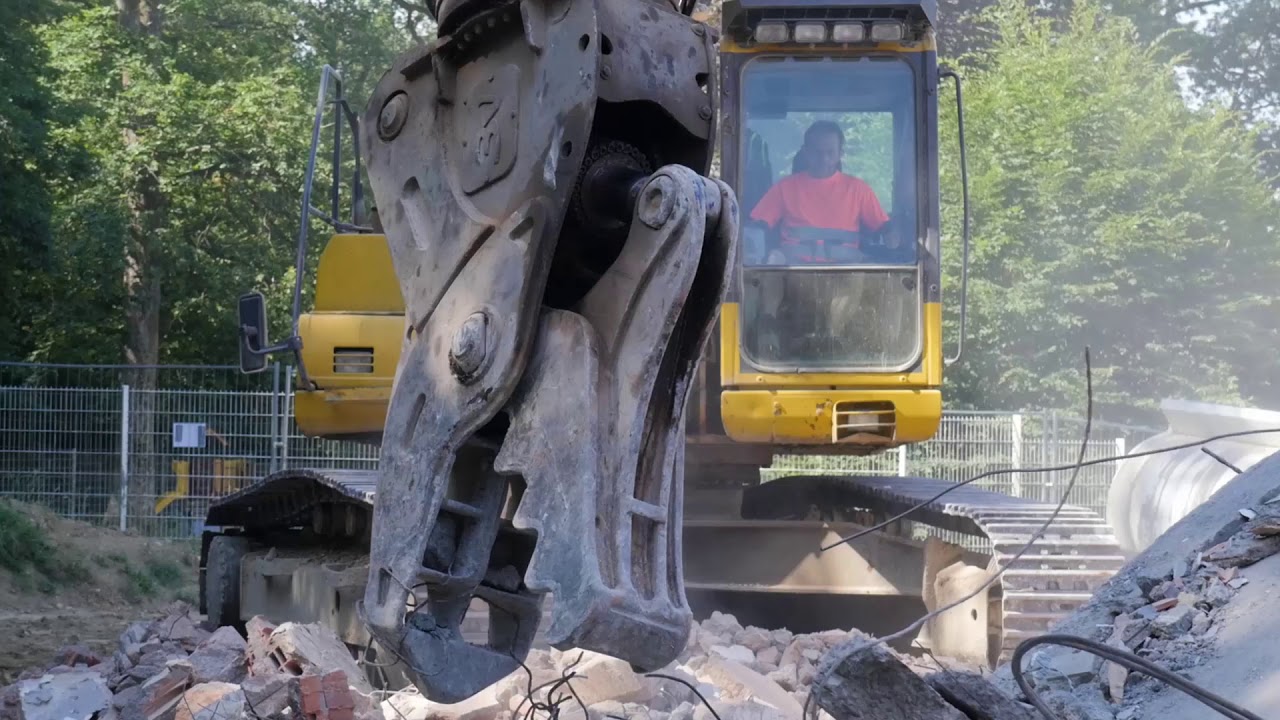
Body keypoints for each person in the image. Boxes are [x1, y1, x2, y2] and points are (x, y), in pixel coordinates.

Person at [747, 120, 891, 264]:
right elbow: (756, 229)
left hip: (848, 276)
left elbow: (884, 228)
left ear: (840, 153)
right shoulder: (784, 188)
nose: (824, 159)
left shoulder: (859, 190)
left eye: (830, 152)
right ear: (806, 152)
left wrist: (895, 234)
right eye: (817, 152)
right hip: (790, 276)